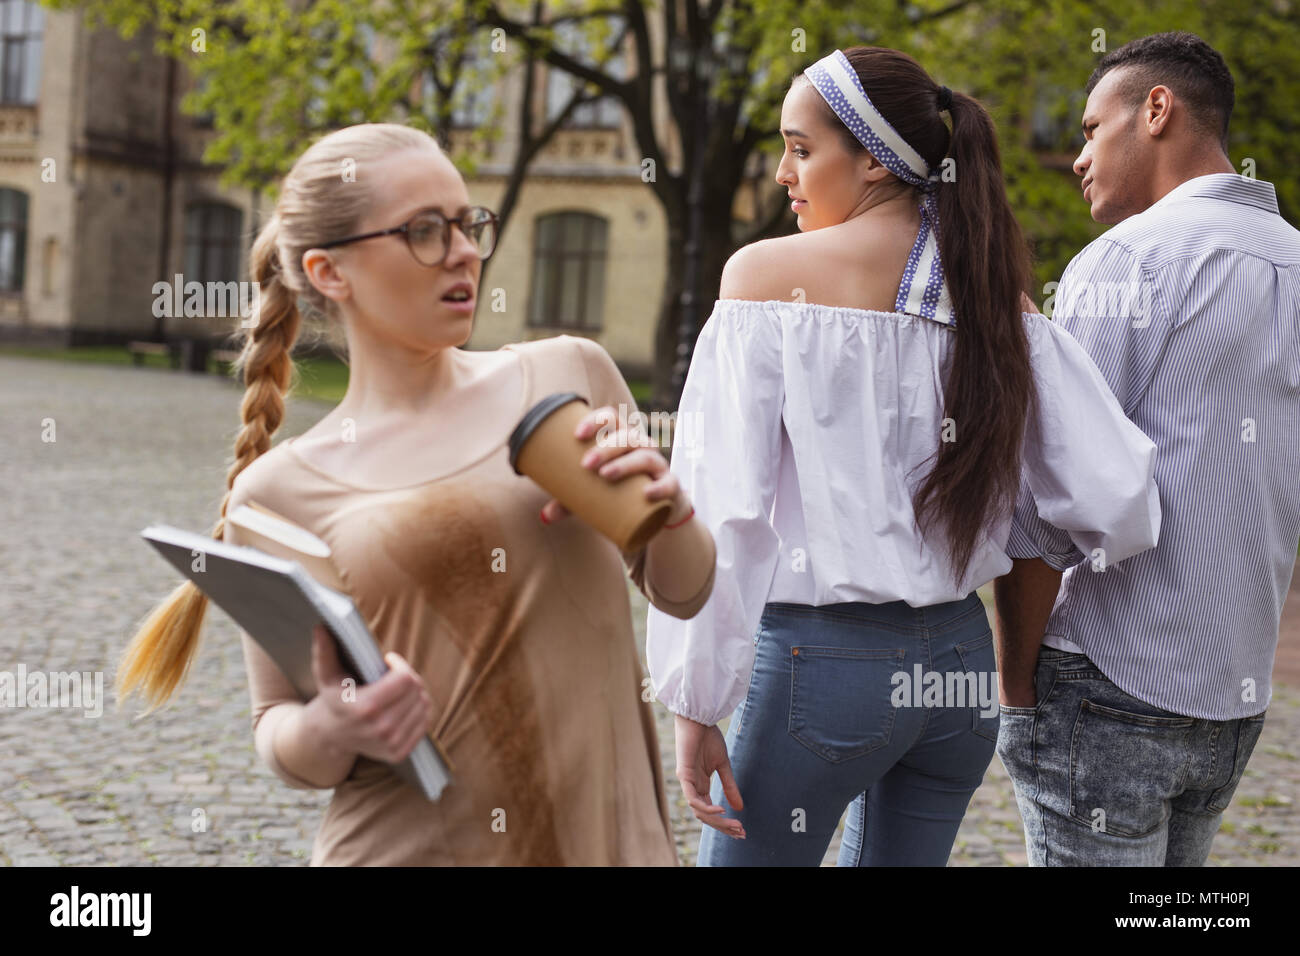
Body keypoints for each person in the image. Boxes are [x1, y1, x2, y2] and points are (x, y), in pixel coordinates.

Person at [115, 122, 717, 865]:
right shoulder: (276, 490)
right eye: (424, 231)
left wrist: (671, 509)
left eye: (468, 224)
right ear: (329, 272)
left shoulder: (569, 377)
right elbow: (279, 726)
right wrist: (335, 729)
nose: (463, 250)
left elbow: (685, 592)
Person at [645, 45, 1162, 867]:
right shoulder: (994, 295)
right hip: (957, 673)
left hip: (822, 672)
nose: (784, 171)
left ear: (878, 160)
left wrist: (694, 700)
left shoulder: (763, 281)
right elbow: (1117, 496)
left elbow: (724, 512)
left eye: (802, 148)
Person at [996, 32, 1300, 866]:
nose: (1078, 156)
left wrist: (1014, 689)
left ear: (1156, 110)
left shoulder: (1125, 260)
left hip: (1105, 680)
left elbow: (1045, 499)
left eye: (1092, 128)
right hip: (1236, 692)